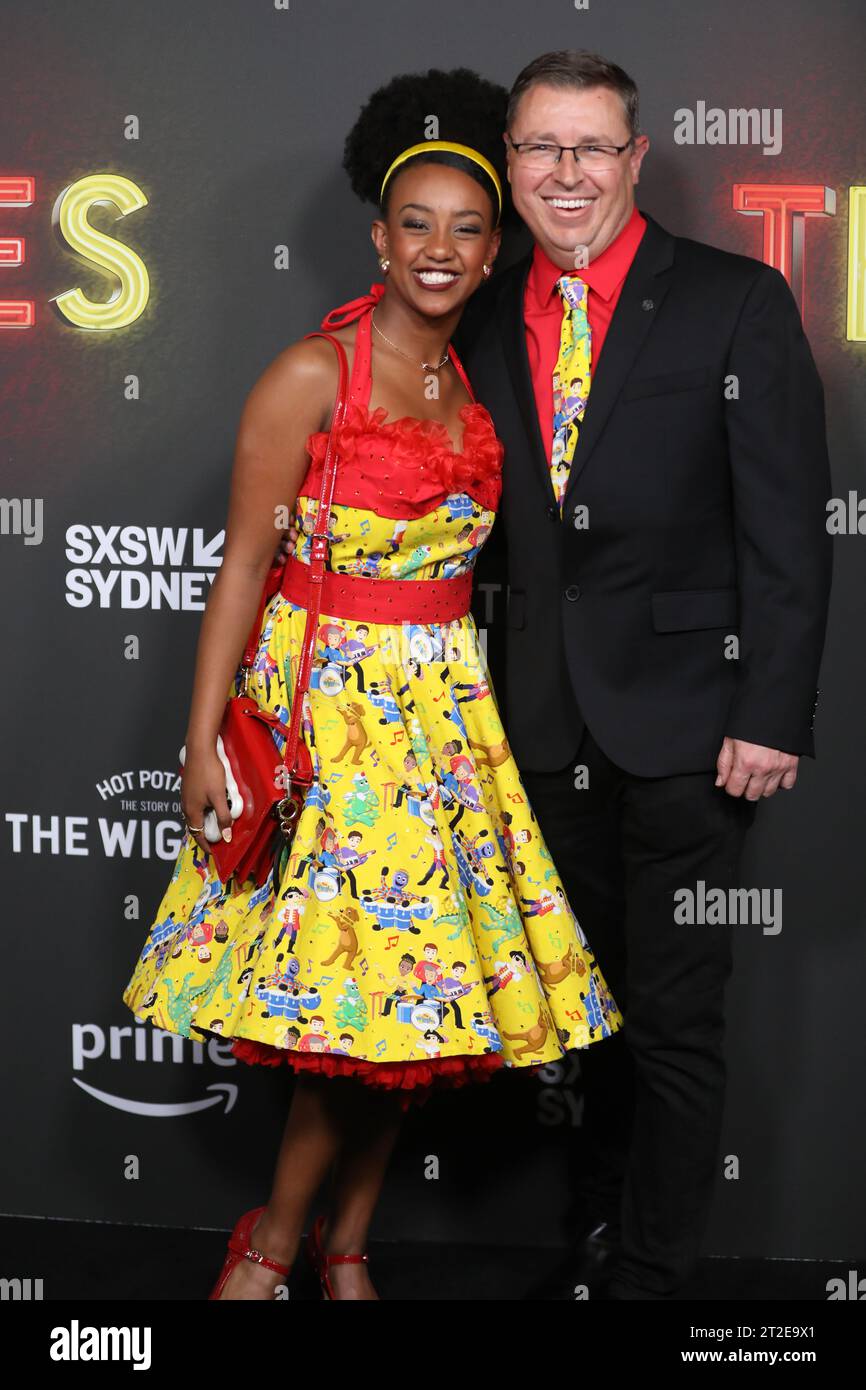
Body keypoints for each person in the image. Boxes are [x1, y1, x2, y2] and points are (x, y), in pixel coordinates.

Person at [121, 68, 623, 1302]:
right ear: (378, 240)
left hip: (443, 724)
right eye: (416, 225)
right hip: (329, 724)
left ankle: (341, 1247)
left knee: (416, 1011)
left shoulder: (480, 387)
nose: (439, 249)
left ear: (494, 249)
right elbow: (243, 567)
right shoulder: (313, 373)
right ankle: (268, 1249)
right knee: (351, 1015)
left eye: (466, 228)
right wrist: (201, 740)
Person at [452, 50, 833, 1299]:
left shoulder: (732, 300)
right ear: (509, 163)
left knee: (671, 1021)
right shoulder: (477, 308)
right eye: (538, 148)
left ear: (634, 158)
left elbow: (785, 527)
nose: (564, 173)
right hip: (530, 726)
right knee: (580, 1014)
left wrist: (770, 709)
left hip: (688, 727)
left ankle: (650, 1278)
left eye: (590, 147)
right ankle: (597, 1233)